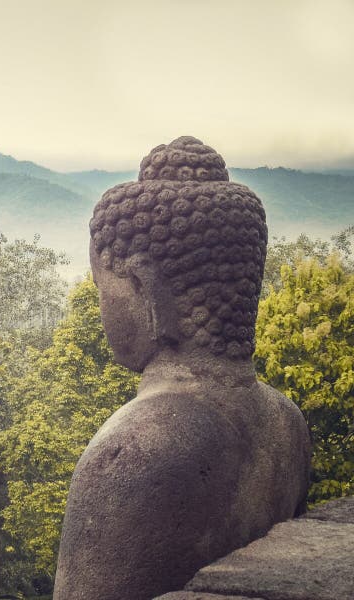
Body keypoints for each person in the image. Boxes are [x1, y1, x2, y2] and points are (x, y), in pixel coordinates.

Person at [53, 137, 311, 600]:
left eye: (102, 288)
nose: (101, 306)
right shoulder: (287, 423)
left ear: (147, 291)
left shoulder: (135, 453)